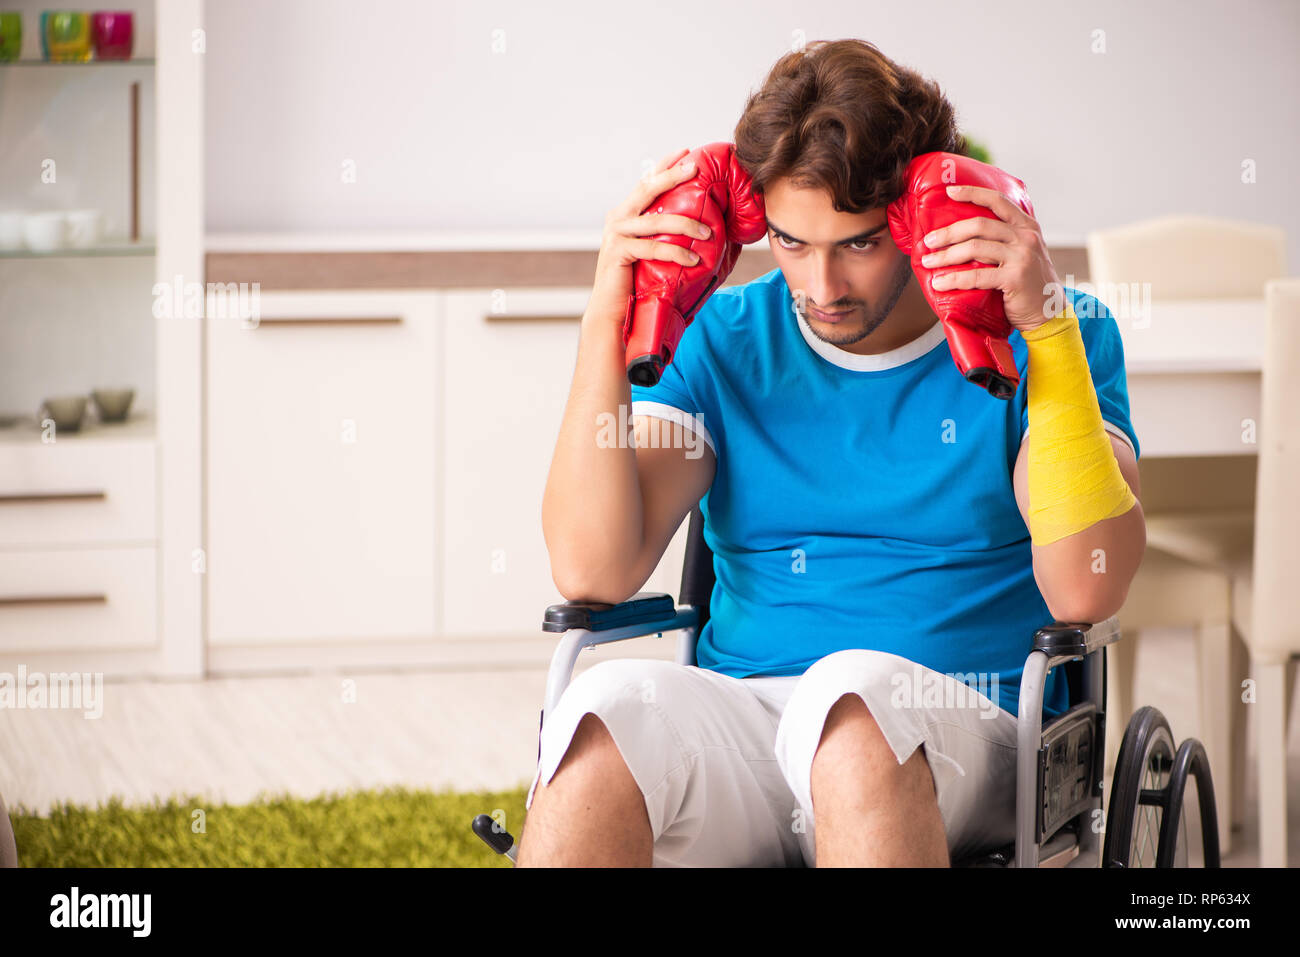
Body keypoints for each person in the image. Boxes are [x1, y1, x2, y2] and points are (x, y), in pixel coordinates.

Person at [520, 38, 1145, 867]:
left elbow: (1086, 583)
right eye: (788, 242)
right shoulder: (727, 338)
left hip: (958, 719)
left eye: (856, 243)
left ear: (923, 217)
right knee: (600, 717)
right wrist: (610, 313)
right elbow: (592, 569)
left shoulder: (1055, 334)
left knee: (853, 705)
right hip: (755, 719)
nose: (819, 288)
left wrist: (1044, 330)